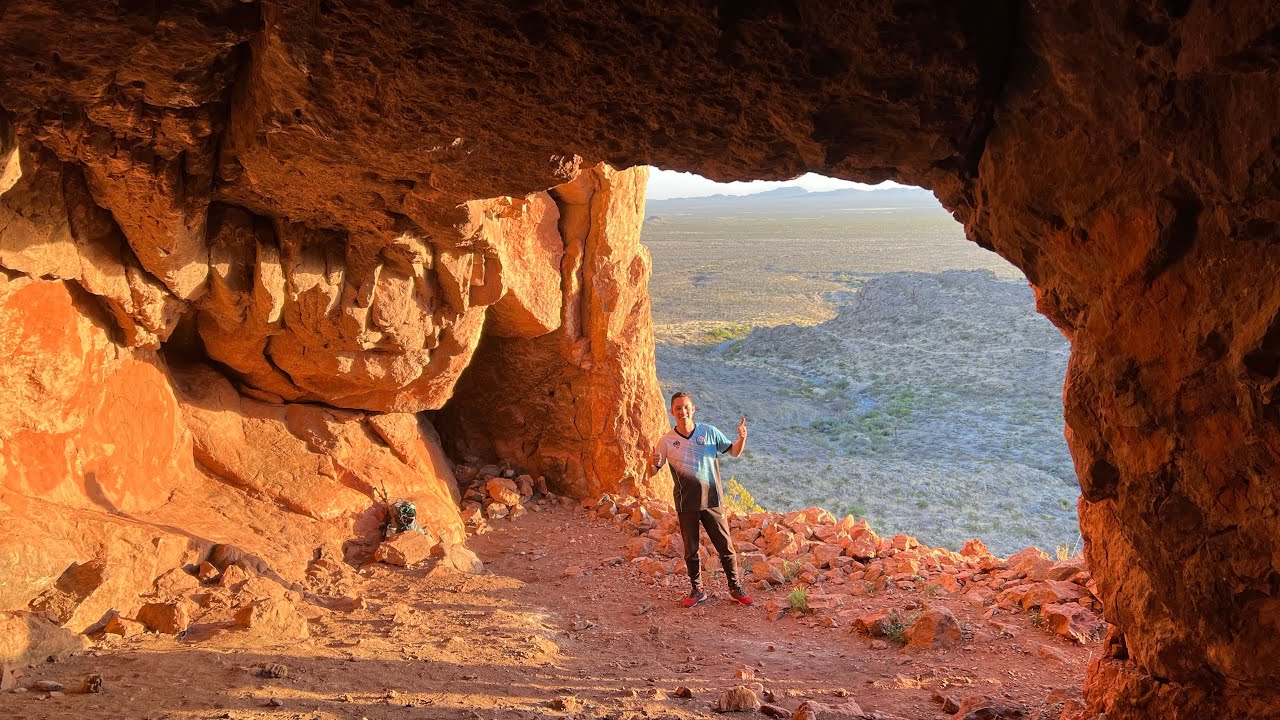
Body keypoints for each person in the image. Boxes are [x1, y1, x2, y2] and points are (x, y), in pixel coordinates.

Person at [648, 391, 752, 607]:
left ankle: (735, 588)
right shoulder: (666, 441)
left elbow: (734, 452)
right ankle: (697, 591)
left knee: (725, 547)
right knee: (691, 550)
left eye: (686, 407)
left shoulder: (709, 432)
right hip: (686, 504)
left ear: (693, 409)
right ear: (672, 412)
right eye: (678, 408)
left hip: (712, 500)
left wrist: (742, 438)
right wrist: (651, 462)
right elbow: (652, 472)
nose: (682, 411)